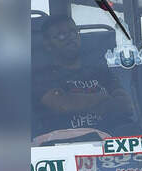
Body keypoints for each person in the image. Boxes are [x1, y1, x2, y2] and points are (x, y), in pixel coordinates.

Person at [32, 14, 135, 146]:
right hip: (68, 145)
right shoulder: (42, 77)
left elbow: (126, 106)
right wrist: (102, 98)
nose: (70, 39)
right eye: (61, 35)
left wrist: (83, 102)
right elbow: (63, 104)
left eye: (73, 33)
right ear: (47, 44)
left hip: (113, 142)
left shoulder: (100, 72)